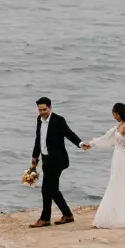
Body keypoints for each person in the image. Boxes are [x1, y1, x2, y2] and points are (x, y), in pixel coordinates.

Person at [30, 97, 83, 227]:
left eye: (44, 109)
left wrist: (80, 143)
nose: (42, 112)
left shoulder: (58, 120)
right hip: (46, 159)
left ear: (50, 107)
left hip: (57, 160)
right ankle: (65, 215)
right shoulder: (39, 120)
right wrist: (35, 155)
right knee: (50, 189)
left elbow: (69, 134)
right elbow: (39, 138)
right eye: (40, 110)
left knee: (47, 189)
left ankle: (46, 218)